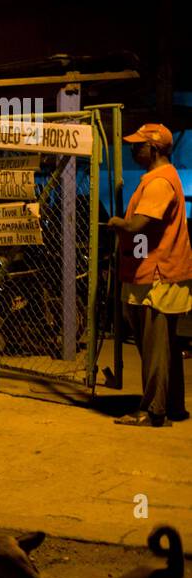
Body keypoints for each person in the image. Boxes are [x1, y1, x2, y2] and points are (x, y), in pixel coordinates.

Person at [107, 123, 192, 427]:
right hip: (160, 270)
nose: (133, 149)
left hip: (159, 275)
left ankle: (153, 411)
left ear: (153, 149)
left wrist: (116, 223)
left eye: (138, 145)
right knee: (166, 345)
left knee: (154, 347)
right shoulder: (163, 178)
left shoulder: (158, 182)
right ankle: (174, 406)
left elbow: (139, 226)